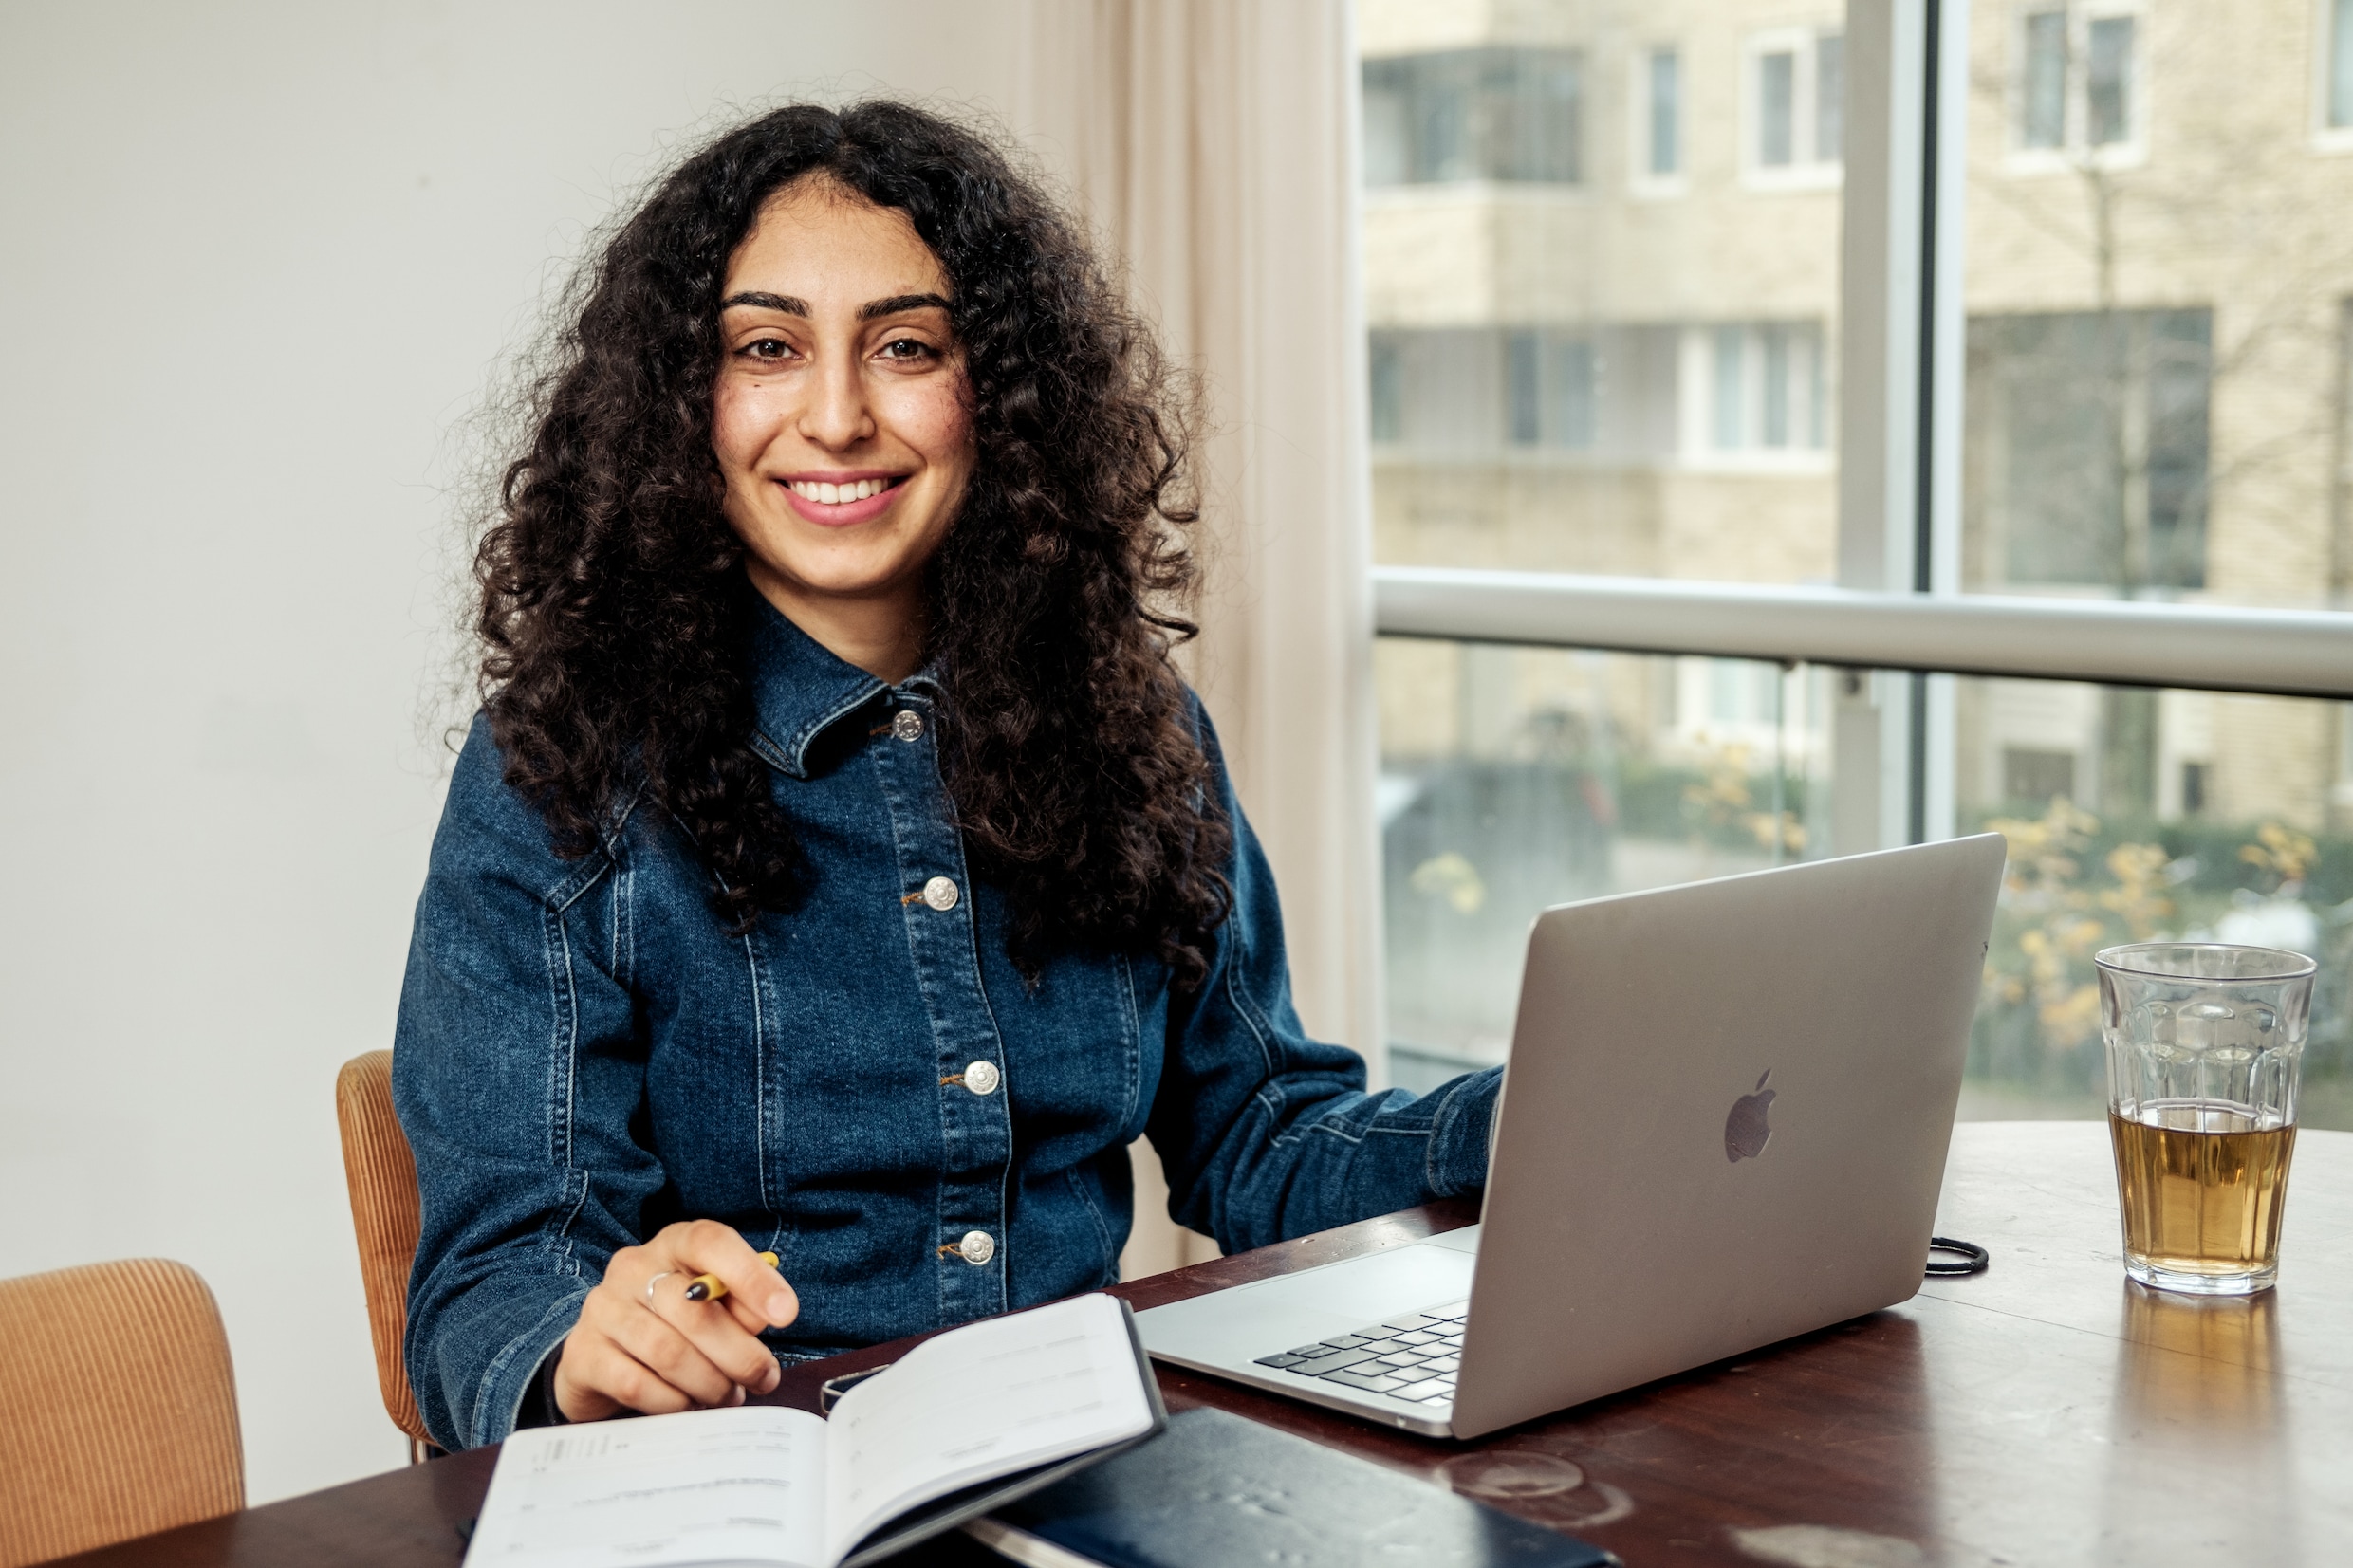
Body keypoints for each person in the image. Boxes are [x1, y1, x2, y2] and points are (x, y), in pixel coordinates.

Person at [392, 100, 1502, 1453]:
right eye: (767, 348)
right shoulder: (556, 774)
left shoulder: (1135, 726)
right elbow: (492, 1288)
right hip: (758, 1484)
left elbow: (1264, 1134)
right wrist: (591, 1346)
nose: (838, 417)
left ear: (1007, 396)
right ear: (683, 403)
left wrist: (1527, 1123)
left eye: (906, 347)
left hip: (1092, 1468)